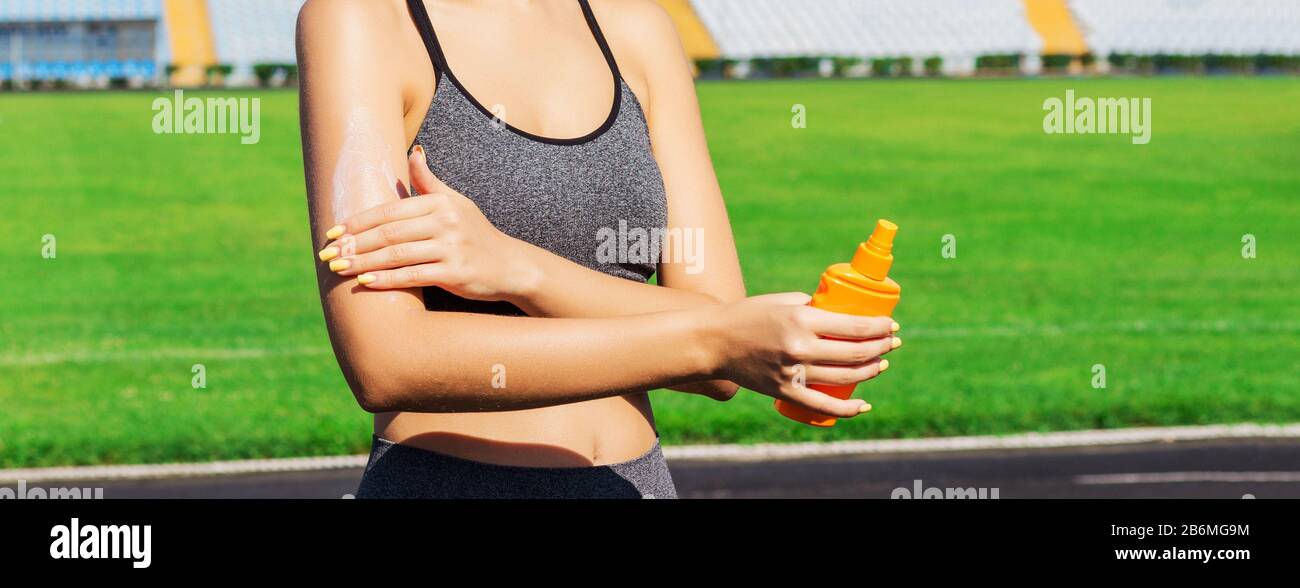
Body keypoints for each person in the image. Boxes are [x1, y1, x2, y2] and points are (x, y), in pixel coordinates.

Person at [296, 0, 900, 498]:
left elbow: (718, 330)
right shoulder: (362, 19)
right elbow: (388, 359)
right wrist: (714, 340)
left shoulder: (638, 26)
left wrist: (521, 270)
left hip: (637, 484)